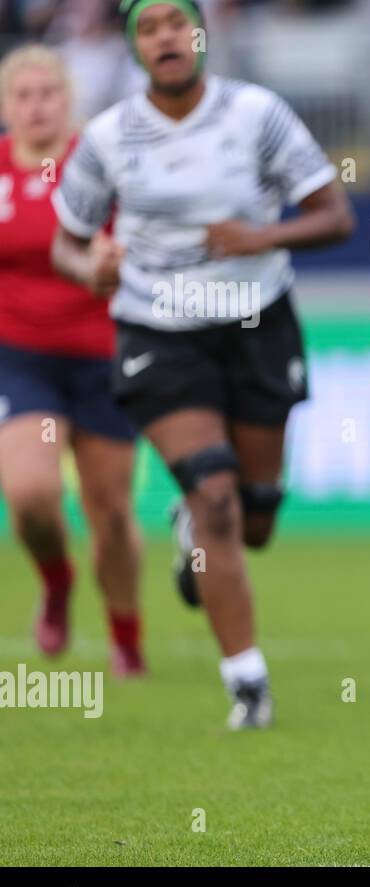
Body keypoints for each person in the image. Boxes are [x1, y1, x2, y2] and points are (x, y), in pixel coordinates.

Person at [49, 0, 354, 729]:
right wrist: (90, 265)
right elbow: (69, 241)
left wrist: (258, 236)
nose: (163, 37)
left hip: (258, 323)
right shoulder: (107, 136)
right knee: (216, 494)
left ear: (199, 34)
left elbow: (335, 215)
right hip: (159, 330)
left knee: (252, 519)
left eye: (173, 22)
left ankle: (198, 525)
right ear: (133, 46)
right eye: (146, 26)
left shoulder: (258, 115)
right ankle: (246, 681)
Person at [0, 43, 143, 675]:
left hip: (103, 355)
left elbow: (144, 239)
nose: (35, 107)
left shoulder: (99, 162)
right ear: (7, 106)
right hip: (21, 357)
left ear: (69, 100)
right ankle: (57, 581)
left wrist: (116, 261)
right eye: (23, 96)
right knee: (30, 494)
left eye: (47, 94)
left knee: (109, 514)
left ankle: (126, 636)